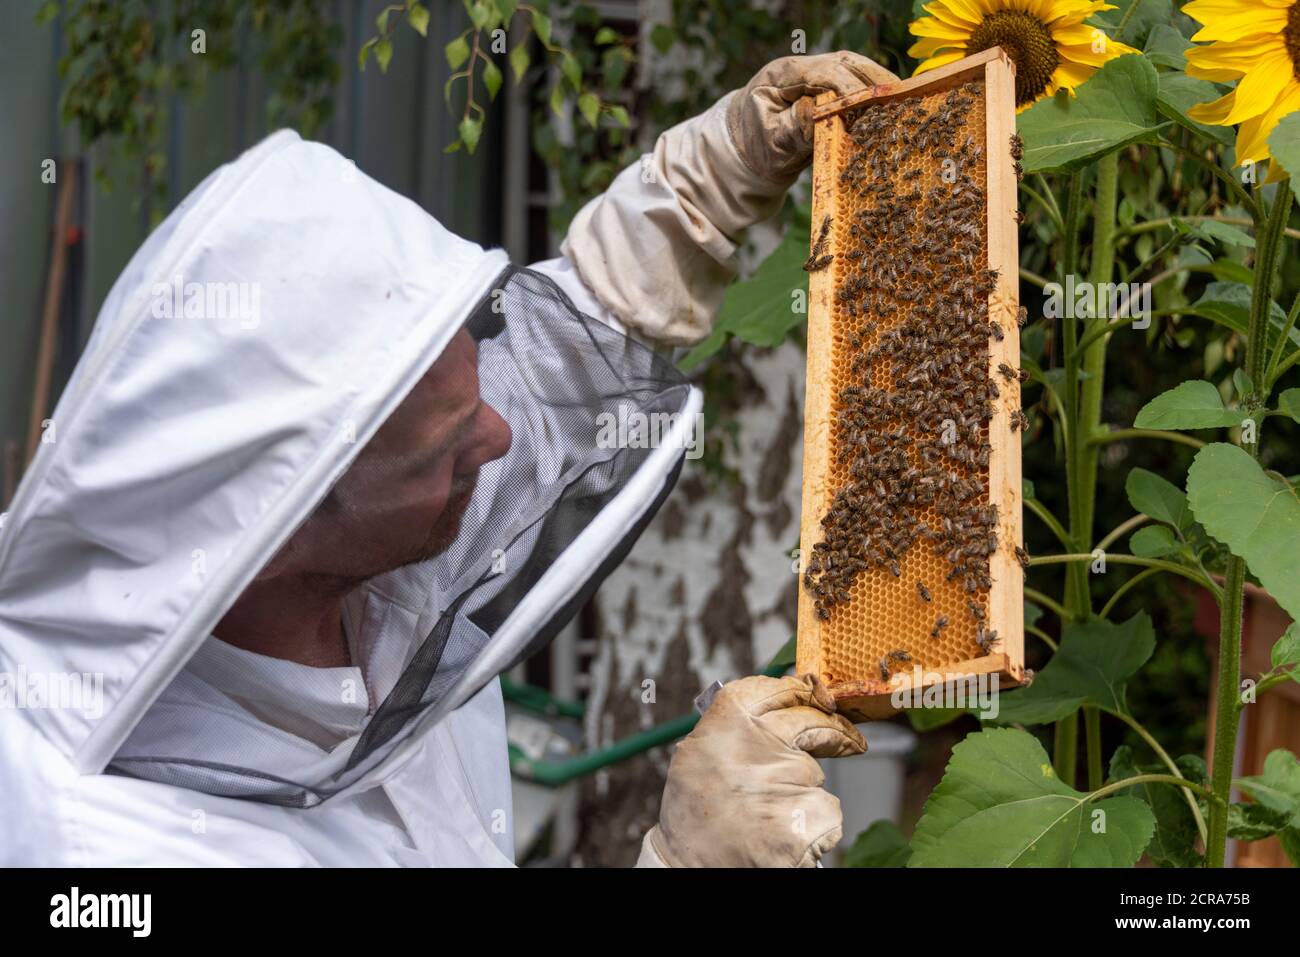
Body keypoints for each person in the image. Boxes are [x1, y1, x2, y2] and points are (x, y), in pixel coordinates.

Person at [0, 52, 895, 867]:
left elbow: (564, 348)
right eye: (449, 447)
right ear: (272, 529)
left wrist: (710, 176)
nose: (500, 438)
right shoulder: (114, 848)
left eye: (479, 381)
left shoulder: (354, 540)